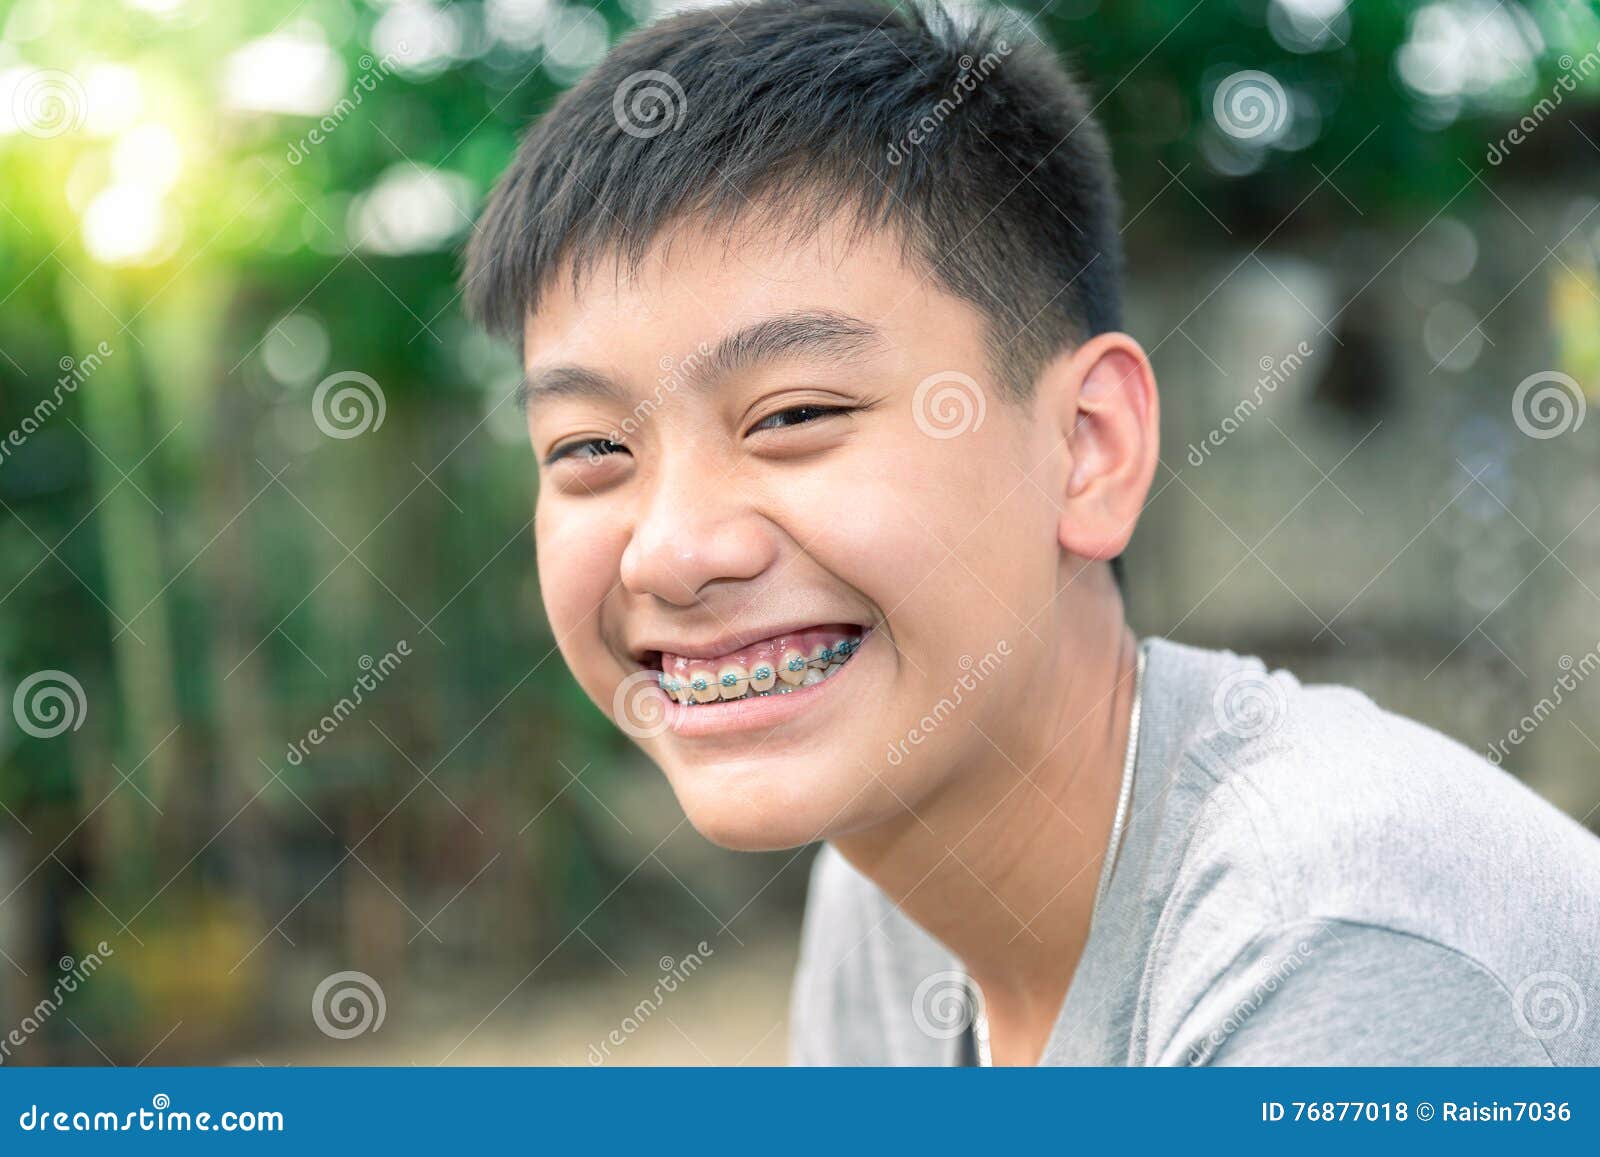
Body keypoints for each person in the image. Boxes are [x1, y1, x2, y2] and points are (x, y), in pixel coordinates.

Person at [462, 0, 1600, 1065]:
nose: (668, 549)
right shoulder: (890, 884)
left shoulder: (1341, 951)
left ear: (1089, 446)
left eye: (795, 414)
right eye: (588, 449)